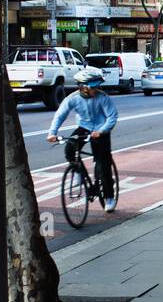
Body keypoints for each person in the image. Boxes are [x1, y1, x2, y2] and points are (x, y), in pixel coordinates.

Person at [46, 67, 119, 212]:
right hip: (84, 127)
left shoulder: (102, 97)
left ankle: (109, 197)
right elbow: (60, 115)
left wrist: (102, 131)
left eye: (97, 86)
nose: (96, 89)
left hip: (100, 129)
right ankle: (78, 171)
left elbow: (112, 116)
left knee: (103, 164)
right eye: (93, 87)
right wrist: (52, 133)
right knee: (69, 149)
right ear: (83, 87)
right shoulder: (72, 99)